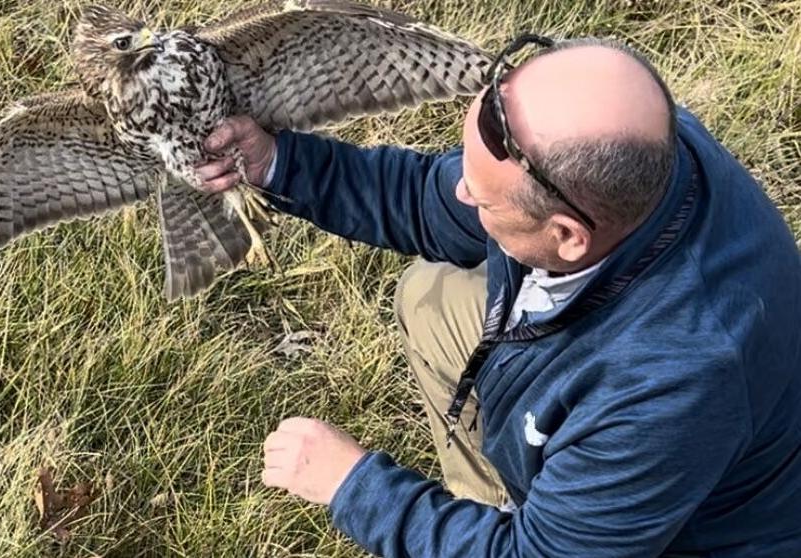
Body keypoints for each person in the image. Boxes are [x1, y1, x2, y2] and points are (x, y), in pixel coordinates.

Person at [195, 35, 801, 557]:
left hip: (688, 534)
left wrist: (353, 486)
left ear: (567, 236)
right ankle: (491, 508)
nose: (461, 192)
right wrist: (277, 161)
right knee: (432, 294)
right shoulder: (628, 154)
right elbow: (423, 203)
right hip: (626, 442)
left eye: (483, 199)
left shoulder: (670, 389)